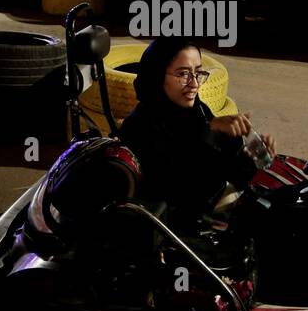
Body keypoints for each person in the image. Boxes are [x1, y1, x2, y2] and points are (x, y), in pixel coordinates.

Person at [117, 37, 275, 231]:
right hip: (180, 229)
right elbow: (185, 191)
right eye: (183, 74)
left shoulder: (197, 110)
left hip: (219, 203)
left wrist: (249, 159)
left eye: (197, 72)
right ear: (157, 75)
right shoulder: (140, 127)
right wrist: (208, 133)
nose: (194, 84)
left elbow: (227, 172)